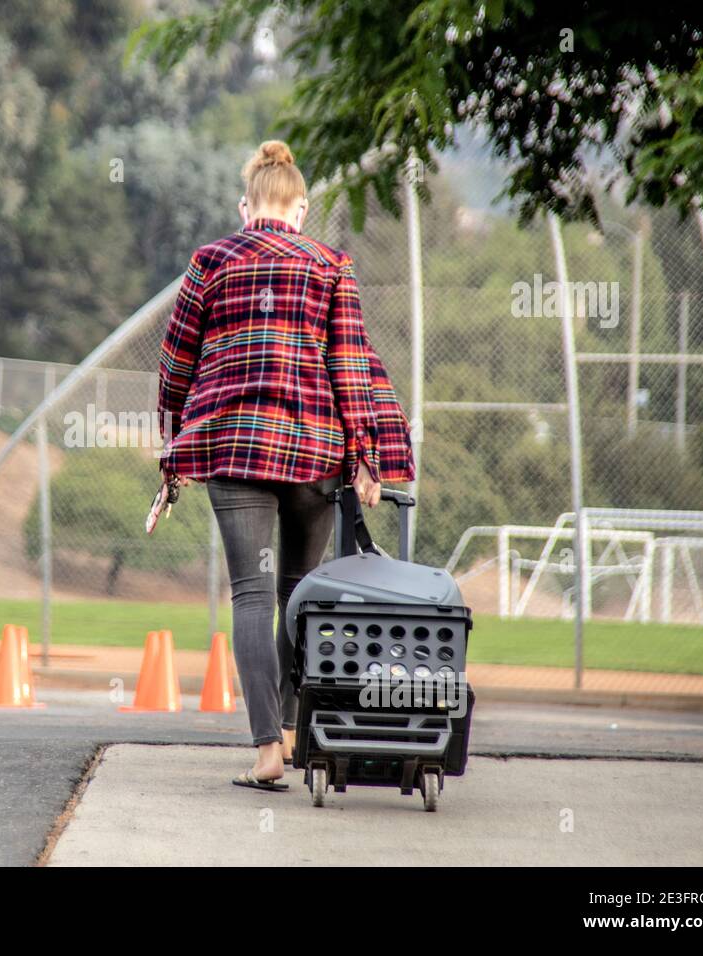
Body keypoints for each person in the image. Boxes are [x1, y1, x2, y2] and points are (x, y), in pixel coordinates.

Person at [157, 140, 414, 790]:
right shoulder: (331, 264)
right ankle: (303, 736)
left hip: (233, 444)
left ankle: (266, 749)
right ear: (300, 208)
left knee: (250, 594)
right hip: (313, 452)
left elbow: (176, 364)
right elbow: (350, 364)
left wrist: (172, 444)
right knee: (300, 592)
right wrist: (367, 458)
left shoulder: (211, 261)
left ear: (247, 208)